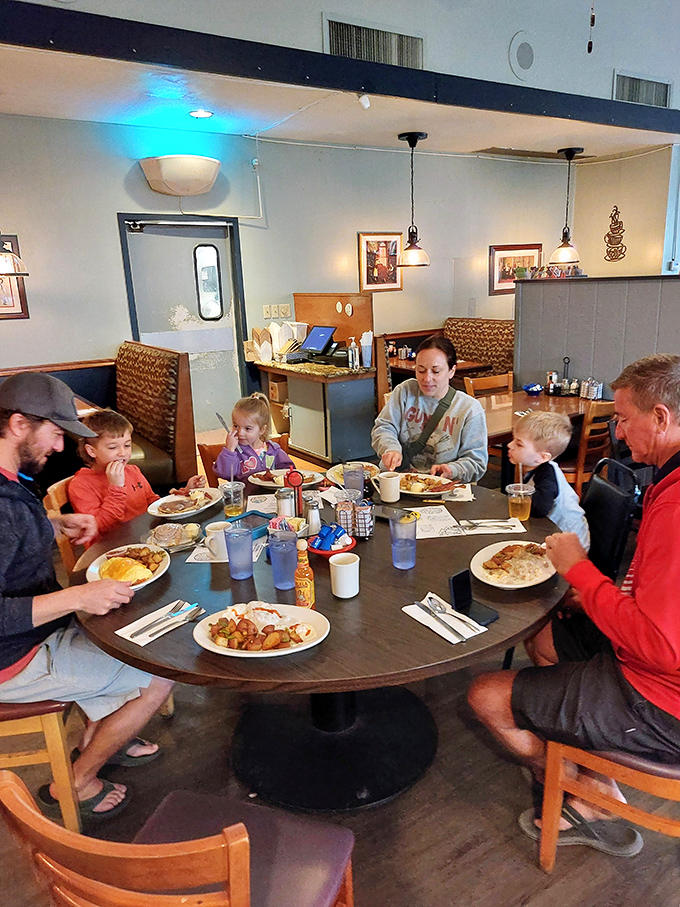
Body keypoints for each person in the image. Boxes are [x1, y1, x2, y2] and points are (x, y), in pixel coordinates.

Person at [468, 353, 680, 858]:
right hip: (648, 660)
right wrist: (597, 598)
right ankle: (588, 768)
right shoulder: (667, 483)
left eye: (624, 420)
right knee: (542, 633)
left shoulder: (675, 506)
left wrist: (578, 569)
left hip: (661, 698)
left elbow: (663, 646)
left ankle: (578, 794)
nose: (620, 434)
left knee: (483, 695)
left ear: (662, 418)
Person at [0, 373, 174, 819]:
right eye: (55, 433)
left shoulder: (10, 484)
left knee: (133, 637)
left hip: (37, 634)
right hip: (15, 658)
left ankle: (103, 731)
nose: (59, 447)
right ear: (20, 424)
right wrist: (77, 598)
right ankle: (76, 782)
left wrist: (51, 526)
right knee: (162, 673)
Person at [68, 408, 205, 544]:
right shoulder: (80, 484)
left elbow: (154, 504)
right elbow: (100, 527)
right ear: (91, 451)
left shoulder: (132, 470)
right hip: (112, 548)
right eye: (112, 447)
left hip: (146, 538)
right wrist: (116, 488)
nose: (122, 453)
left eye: (127, 445)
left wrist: (186, 492)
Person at [371, 335, 488, 482]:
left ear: (451, 371)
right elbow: (383, 427)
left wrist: (453, 470)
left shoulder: (469, 409)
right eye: (421, 370)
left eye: (436, 371)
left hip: (440, 486)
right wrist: (391, 448)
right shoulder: (405, 391)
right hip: (396, 479)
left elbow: (476, 463)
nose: (427, 378)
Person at [508, 411, 590, 549]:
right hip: (552, 532)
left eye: (519, 444)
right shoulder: (535, 466)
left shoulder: (547, 474)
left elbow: (540, 508)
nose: (510, 445)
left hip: (571, 545)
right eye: (513, 439)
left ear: (542, 457)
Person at [214, 392, 294, 494]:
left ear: (261, 430)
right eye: (236, 426)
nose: (240, 433)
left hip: (274, 500)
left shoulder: (273, 450)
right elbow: (224, 473)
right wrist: (229, 451)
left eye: (247, 428)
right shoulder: (235, 453)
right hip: (245, 503)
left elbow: (290, 470)